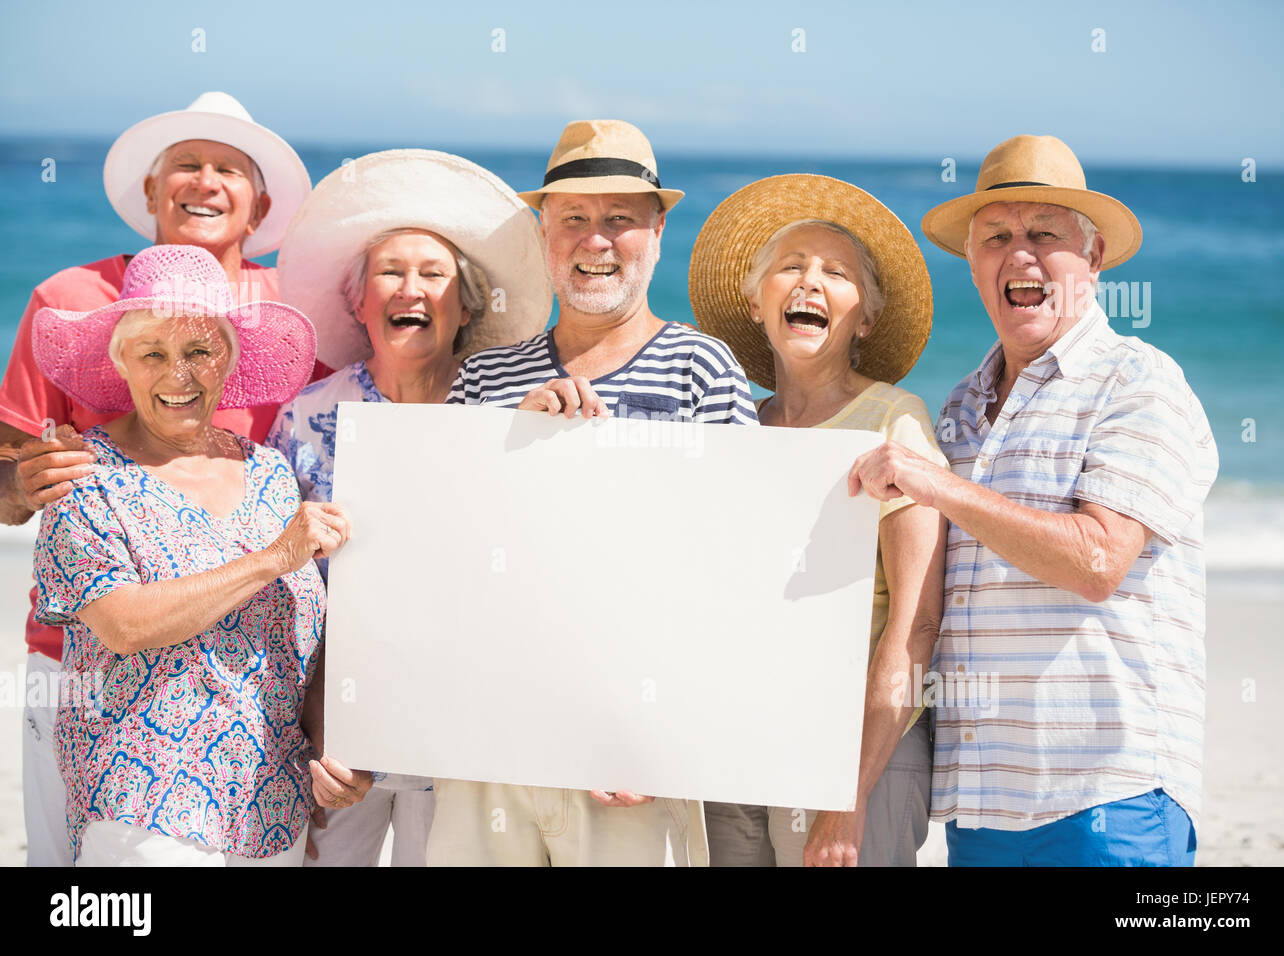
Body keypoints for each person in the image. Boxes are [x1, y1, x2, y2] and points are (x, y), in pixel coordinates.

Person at [849, 134, 1218, 866]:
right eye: (996, 238)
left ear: (1094, 258)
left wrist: (939, 484)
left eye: (1044, 235)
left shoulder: (1139, 382)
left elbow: (1098, 560)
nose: (1019, 254)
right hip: (983, 804)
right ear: (975, 265)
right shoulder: (959, 406)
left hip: (1108, 795)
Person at [0, 91, 316, 866]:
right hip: (90, 672)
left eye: (227, 169)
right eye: (185, 165)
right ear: (151, 190)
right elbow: (7, 481)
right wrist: (19, 489)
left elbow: (372, 415)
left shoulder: (295, 312)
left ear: (259, 204)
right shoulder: (71, 300)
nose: (204, 182)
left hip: (251, 705)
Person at [432, 119, 757, 866]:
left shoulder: (702, 368)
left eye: (619, 220)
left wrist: (658, 730)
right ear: (544, 231)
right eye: (573, 218)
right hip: (494, 741)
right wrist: (507, 444)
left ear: (658, 230)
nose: (595, 239)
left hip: (627, 750)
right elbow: (447, 544)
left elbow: (730, 562)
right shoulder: (485, 377)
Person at [29, 244, 369, 865]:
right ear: (122, 365)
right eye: (153, 354)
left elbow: (305, 637)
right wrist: (272, 558)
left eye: (199, 352)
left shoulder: (268, 470)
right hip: (145, 810)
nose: (178, 374)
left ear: (228, 361)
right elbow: (126, 625)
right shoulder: (88, 478)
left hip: (271, 812)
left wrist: (330, 749)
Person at [267, 148, 552, 865]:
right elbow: (278, 584)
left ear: (465, 305)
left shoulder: (503, 417)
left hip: (459, 723)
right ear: (359, 303)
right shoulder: (306, 416)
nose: (411, 289)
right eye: (391, 273)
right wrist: (316, 727)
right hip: (331, 719)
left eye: (434, 275)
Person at [690, 174, 947, 866]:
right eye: (789, 267)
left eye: (835, 273)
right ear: (754, 302)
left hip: (858, 749)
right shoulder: (736, 427)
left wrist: (850, 793)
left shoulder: (894, 421)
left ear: (863, 318)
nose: (809, 283)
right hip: (740, 738)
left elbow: (916, 623)